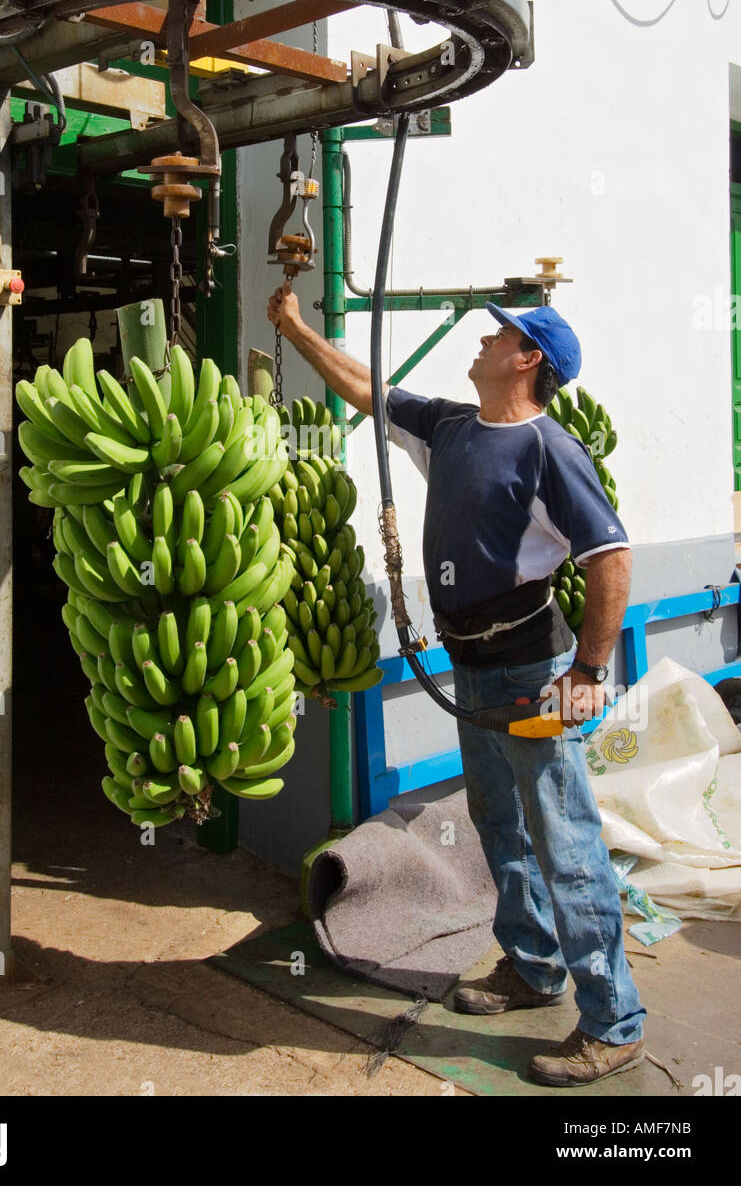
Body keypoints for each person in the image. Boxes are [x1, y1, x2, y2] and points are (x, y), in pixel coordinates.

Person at [267, 285, 646, 1087]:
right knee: (498, 829)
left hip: (533, 674)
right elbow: (367, 389)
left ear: (527, 357)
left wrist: (585, 671)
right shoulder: (448, 426)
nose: (482, 341)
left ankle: (615, 1022)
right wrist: (294, 328)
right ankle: (532, 968)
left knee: (565, 844)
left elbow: (608, 559)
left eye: (498, 335)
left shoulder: (549, 449)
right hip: (469, 670)